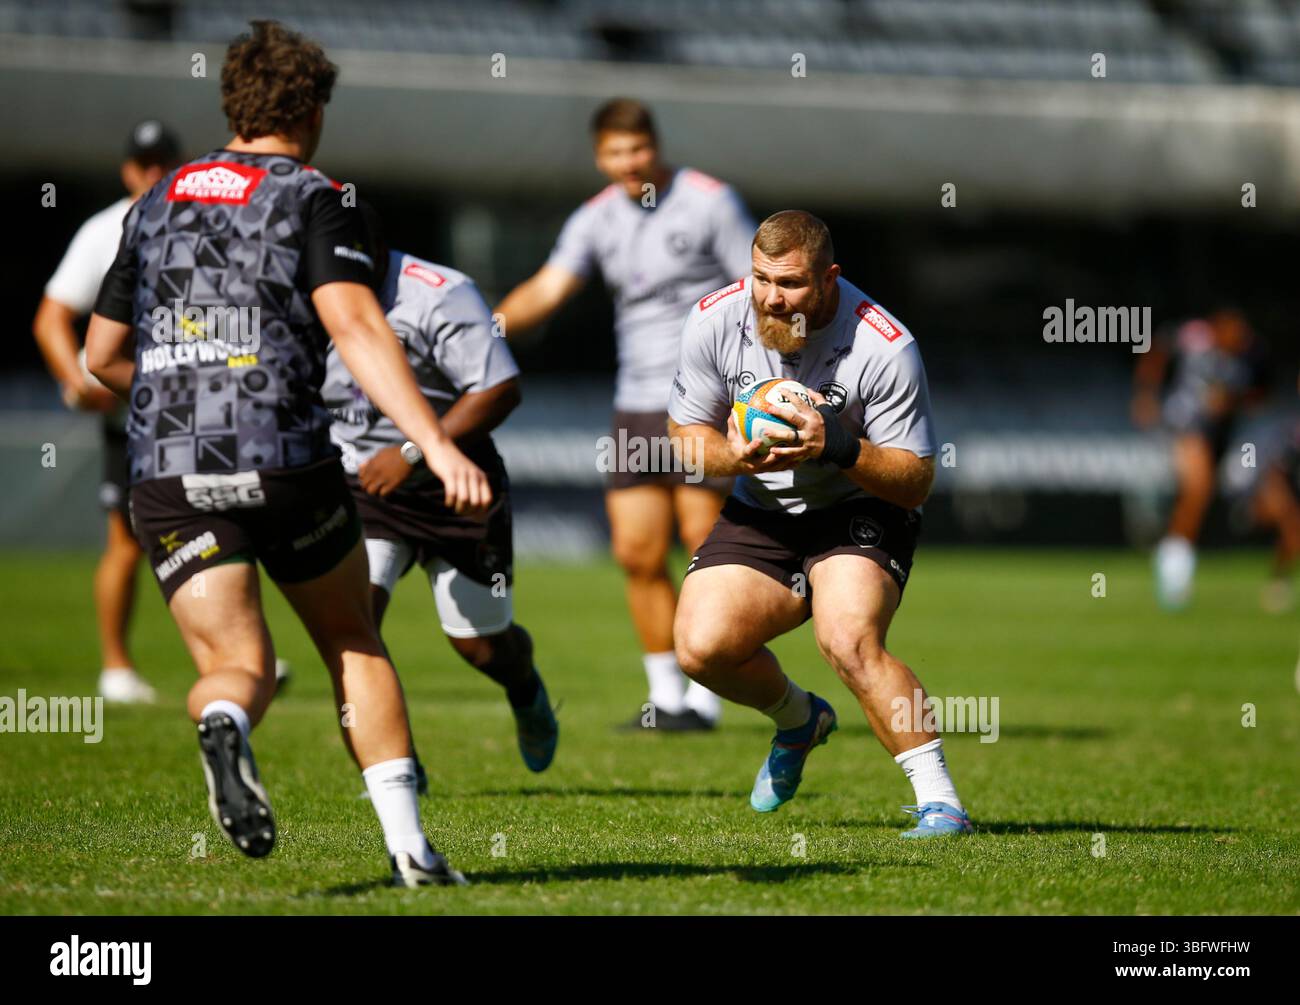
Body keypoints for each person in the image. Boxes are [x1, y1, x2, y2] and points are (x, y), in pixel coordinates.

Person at [85, 20, 490, 887]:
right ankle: (412, 852)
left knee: (237, 665)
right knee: (350, 638)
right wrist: (433, 442)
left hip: (169, 468)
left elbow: (100, 354)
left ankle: (227, 721)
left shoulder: (153, 202)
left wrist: (178, 395)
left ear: (232, 103)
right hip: (282, 456)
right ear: (310, 110)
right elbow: (357, 323)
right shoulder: (317, 196)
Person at [667, 211, 972, 838]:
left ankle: (941, 804)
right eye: (761, 279)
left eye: (791, 283)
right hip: (764, 507)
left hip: (860, 508)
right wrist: (735, 457)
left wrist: (839, 445)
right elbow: (685, 434)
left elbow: (915, 479)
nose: (772, 298)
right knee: (700, 649)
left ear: (830, 278)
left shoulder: (885, 345)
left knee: (848, 638)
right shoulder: (714, 319)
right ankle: (799, 720)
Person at [494, 98, 756, 731]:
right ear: (599, 157)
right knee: (636, 552)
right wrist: (485, 327)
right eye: (615, 152)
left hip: (706, 401)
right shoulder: (595, 219)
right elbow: (549, 288)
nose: (628, 162)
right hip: (635, 405)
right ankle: (666, 699)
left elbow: (757, 286)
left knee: (704, 546)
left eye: (637, 149)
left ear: (655, 146)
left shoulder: (710, 202)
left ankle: (710, 692)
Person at [321, 233, 558, 774]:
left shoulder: (441, 292)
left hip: (457, 487)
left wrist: (412, 453)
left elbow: (500, 389)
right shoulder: (303, 289)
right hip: (363, 487)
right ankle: (397, 766)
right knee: (354, 627)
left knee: (480, 647)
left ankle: (525, 691)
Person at [32, 120, 183, 704]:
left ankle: (235, 656)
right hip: (133, 417)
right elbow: (51, 317)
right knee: (126, 540)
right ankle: (116, 667)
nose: (154, 172)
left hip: (201, 413)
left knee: (223, 531)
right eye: (145, 163)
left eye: (164, 161)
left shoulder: (199, 220)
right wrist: (79, 381)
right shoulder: (104, 231)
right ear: (128, 170)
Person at [1132, 309, 1268, 609]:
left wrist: (1228, 402)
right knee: (1198, 488)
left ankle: (1174, 555)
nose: (1239, 339)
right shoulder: (1194, 337)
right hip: (1183, 426)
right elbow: (1157, 348)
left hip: (1217, 437)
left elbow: (1253, 399)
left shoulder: (1238, 367)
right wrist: (1146, 392)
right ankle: (1173, 563)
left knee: (1202, 496)